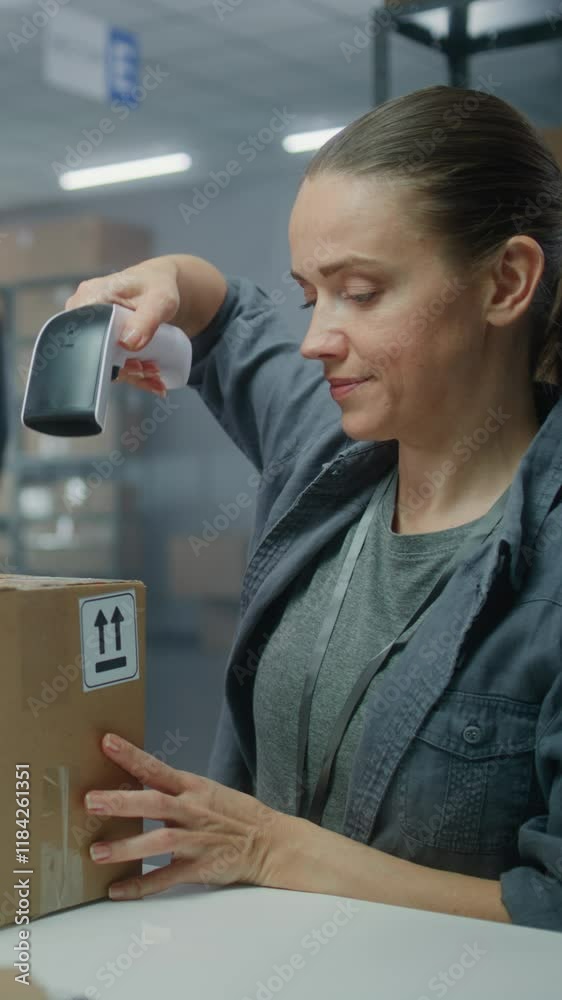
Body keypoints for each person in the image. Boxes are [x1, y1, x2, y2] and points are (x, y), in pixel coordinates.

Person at [67, 85, 562, 932]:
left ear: (506, 281)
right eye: (310, 295)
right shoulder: (331, 438)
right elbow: (223, 314)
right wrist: (154, 286)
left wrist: (271, 849)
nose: (314, 338)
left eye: (360, 292)